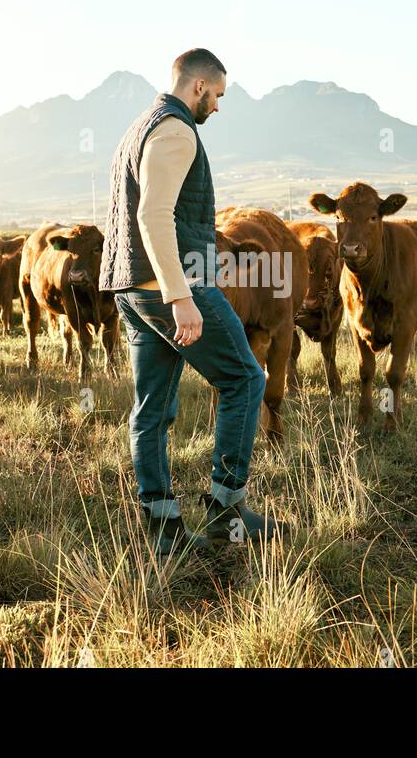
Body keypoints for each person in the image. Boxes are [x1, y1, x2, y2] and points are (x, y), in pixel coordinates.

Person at [100, 48, 284, 558]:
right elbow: (153, 217)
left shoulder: (139, 127)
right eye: (219, 95)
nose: (218, 107)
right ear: (199, 87)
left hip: (130, 287)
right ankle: (228, 510)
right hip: (174, 284)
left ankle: (163, 527)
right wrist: (181, 296)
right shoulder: (177, 131)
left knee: (152, 408)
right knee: (245, 379)